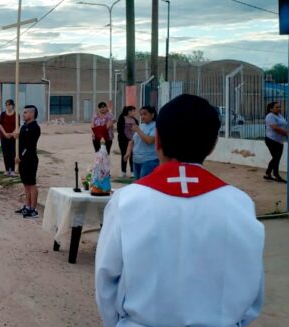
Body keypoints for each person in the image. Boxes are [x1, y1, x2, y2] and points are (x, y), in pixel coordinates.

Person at [95, 94, 265, 327]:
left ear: (157, 142)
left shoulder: (127, 201)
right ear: (213, 145)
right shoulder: (239, 204)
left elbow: (105, 279)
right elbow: (252, 285)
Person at [15, 105, 41, 218]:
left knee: (31, 184)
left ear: (32, 114)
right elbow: (21, 143)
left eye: (25, 112)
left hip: (30, 159)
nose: (23, 114)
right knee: (25, 184)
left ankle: (33, 209)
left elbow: (29, 145)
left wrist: (21, 156)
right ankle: (27, 205)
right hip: (22, 159)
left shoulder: (35, 127)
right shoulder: (24, 126)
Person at [124, 106, 159, 180]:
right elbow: (132, 141)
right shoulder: (141, 125)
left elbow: (149, 141)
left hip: (149, 160)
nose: (142, 117)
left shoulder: (155, 126)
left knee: (145, 185)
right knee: (138, 185)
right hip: (136, 160)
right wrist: (128, 152)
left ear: (152, 115)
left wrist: (138, 130)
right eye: (141, 115)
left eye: (145, 114)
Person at [264, 101, 288, 183]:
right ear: (271, 109)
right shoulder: (270, 116)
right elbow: (275, 128)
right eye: (277, 107)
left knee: (276, 158)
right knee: (276, 158)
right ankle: (276, 175)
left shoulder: (279, 115)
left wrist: (285, 133)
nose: (279, 108)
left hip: (279, 141)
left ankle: (268, 174)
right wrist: (286, 133)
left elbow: (283, 125)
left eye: (279, 107)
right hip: (271, 140)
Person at [116, 106, 138, 178]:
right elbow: (119, 129)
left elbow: (137, 129)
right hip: (123, 140)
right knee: (124, 155)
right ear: (129, 111)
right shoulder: (122, 118)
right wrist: (125, 138)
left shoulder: (135, 120)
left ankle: (132, 171)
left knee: (132, 155)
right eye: (133, 111)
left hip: (133, 140)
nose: (134, 112)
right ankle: (123, 171)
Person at [0, 99, 18, 177]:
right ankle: (7, 170)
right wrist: (5, 134)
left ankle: (13, 170)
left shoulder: (16, 115)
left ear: (13, 105)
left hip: (13, 137)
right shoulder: (3, 114)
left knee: (12, 153)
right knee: (5, 154)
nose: (8, 106)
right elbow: (0, 125)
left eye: (9, 105)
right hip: (4, 136)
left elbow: (18, 125)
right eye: (6, 105)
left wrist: (12, 133)